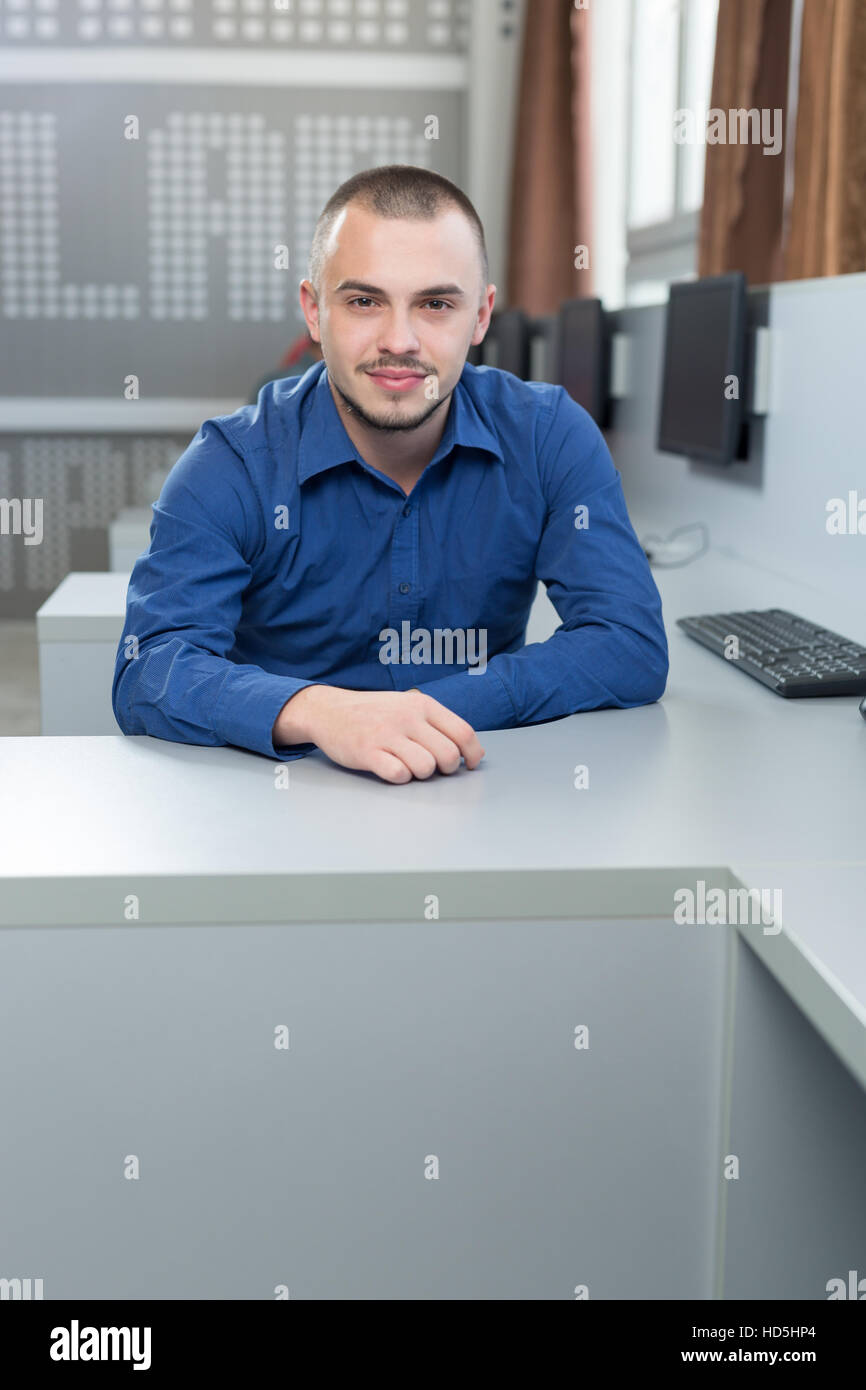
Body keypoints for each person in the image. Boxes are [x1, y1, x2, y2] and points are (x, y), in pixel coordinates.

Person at [112, 165, 668, 784]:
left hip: (477, 788)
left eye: (435, 304)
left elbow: (628, 644)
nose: (399, 340)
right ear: (314, 312)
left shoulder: (548, 434)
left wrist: (419, 716)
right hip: (278, 802)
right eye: (363, 301)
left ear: (481, 316)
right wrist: (320, 713)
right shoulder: (231, 463)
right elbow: (149, 669)